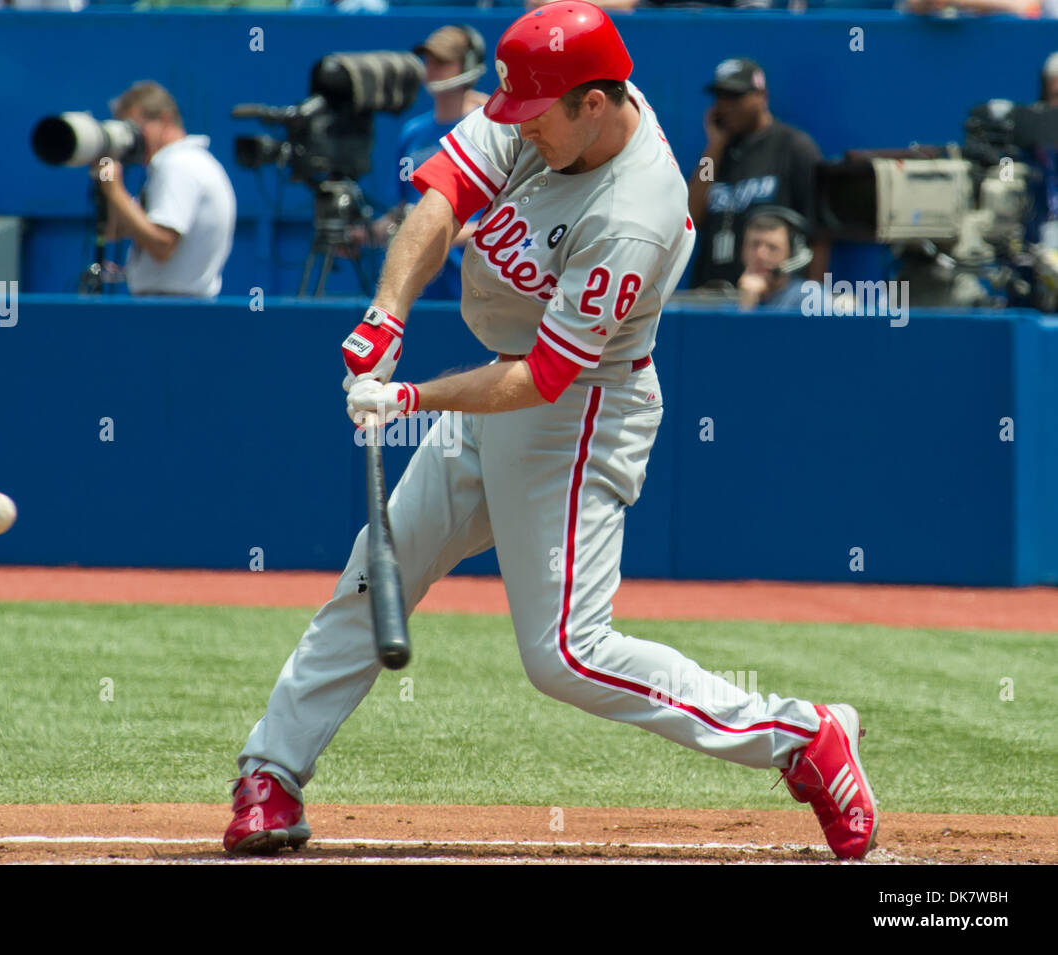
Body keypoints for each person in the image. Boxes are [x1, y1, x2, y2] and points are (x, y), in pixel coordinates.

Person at [222, 1, 878, 862]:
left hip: (578, 413)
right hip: (494, 377)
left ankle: (804, 736)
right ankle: (272, 770)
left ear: (595, 105)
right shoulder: (548, 102)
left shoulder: (635, 209)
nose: (519, 132)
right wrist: (386, 314)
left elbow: (544, 378)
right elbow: (443, 197)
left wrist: (412, 397)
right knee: (377, 568)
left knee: (567, 653)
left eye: (536, 119)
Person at [372, 25, 490, 300]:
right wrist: (367, 234)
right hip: (422, 285)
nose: (432, 69)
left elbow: (508, 218)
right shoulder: (412, 132)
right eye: (429, 62)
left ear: (468, 66)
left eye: (442, 62)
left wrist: (441, 234)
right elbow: (401, 210)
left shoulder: (489, 128)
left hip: (474, 283)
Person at [687, 58, 826, 288]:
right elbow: (692, 216)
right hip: (710, 292)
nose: (725, 105)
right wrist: (714, 146)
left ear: (761, 96)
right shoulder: (715, 155)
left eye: (735, 97)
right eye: (720, 97)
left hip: (770, 299)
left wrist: (811, 297)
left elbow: (819, 235)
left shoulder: (794, 147)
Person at [95, 82, 235, 297]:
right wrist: (107, 179)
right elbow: (113, 231)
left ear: (165, 119)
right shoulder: (187, 163)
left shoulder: (178, 165)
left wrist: (115, 191)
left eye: (135, 128)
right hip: (175, 306)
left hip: (171, 310)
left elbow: (162, 244)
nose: (132, 139)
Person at [736, 206, 811, 310]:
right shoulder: (730, 297)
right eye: (754, 245)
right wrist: (746, 302)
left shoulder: (810, 299)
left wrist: (747, 309)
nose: (760, 255)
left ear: (792, 254)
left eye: (772, 247)